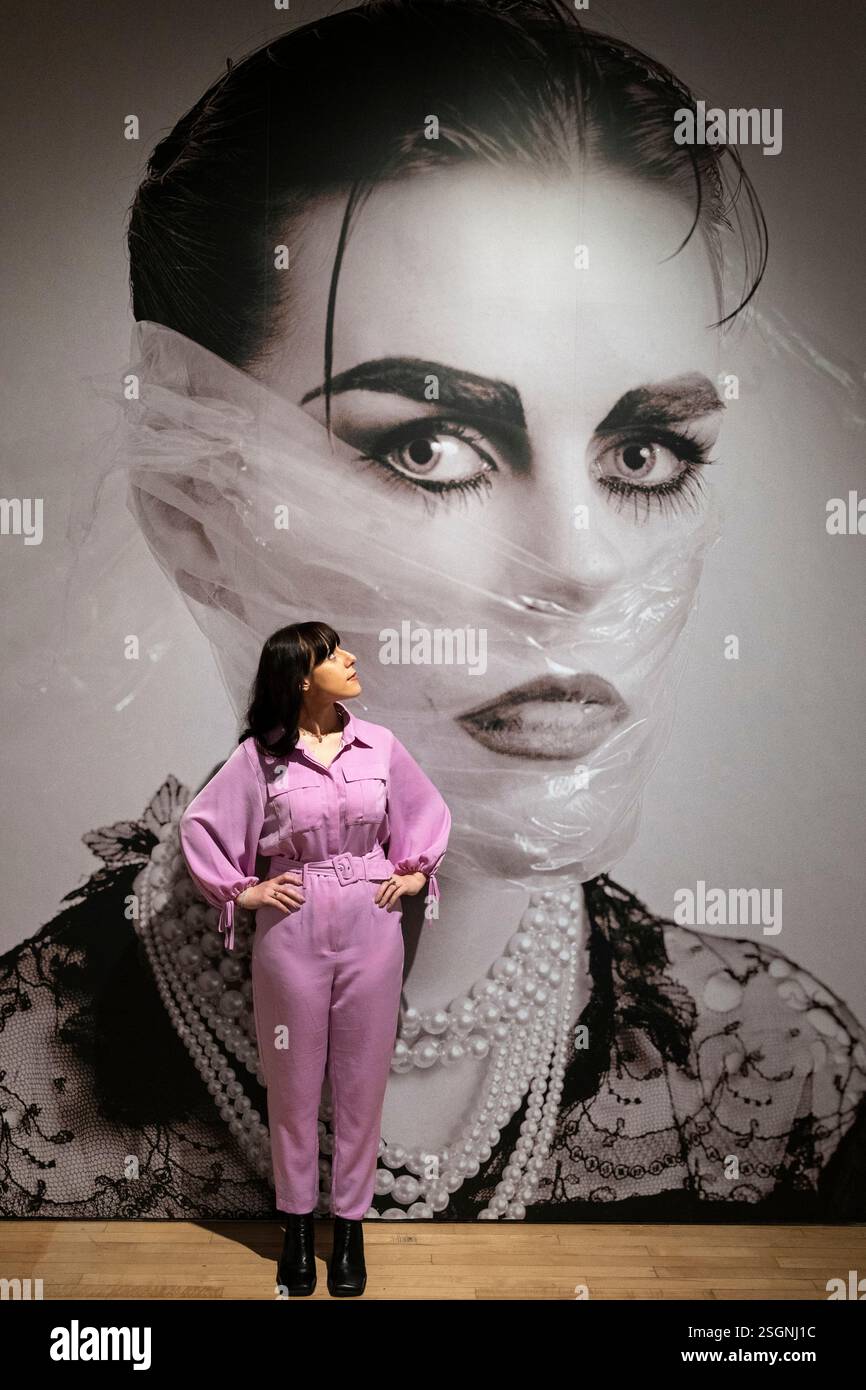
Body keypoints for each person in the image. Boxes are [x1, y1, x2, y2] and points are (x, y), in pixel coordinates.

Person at [3, 0, 865, 1246]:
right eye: (430, 445)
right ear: (196, 511)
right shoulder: (21, 1113)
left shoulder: (783, 1082)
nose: (575, 567)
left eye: (641, 450)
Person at [178, 620, 451, 1295]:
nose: (351, 658)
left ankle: (350, 1232)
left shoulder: (380, 745)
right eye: (332, 654)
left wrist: (416, 872)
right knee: (294, 1091)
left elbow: (426, 811)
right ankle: (297, 1231)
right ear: (300, 677)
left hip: (371, 922)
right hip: (292, 931)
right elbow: (200, 824)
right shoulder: (259, 759)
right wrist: (244, 889)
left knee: (362, 1087)